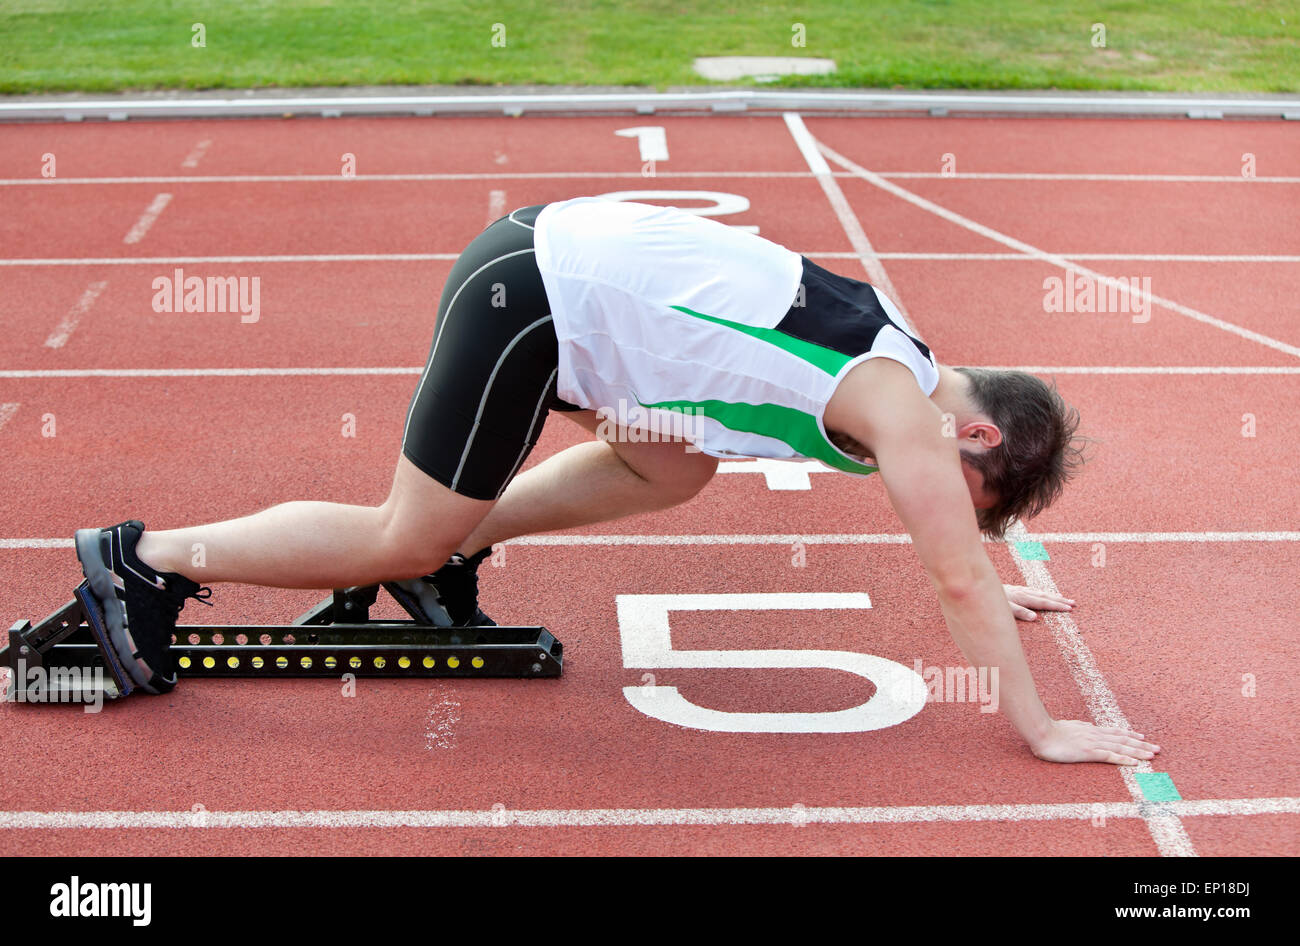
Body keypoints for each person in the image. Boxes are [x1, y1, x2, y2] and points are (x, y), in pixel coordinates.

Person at [75, 197, 1159, 765]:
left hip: (564, 282)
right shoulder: (903, 408)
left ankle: (454, 549)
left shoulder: (900, 367)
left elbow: (951, 551)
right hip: (537, 301)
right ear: (972, 436)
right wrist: (1039, 725)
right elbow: (952, 579)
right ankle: (148, 563)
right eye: (962, 495)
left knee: (671, 465)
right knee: (400, 532)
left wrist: (971, 552)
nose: (925, 495)